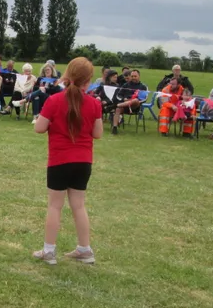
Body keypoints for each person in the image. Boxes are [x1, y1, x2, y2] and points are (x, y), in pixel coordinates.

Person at [32, 57, 103, 266]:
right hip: (83, 161)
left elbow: (39, 128)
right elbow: (97, 133)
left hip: (59, 160)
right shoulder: (94, 103)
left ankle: (49, 251)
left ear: (67, 76)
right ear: (88, 80)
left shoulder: (54, 101)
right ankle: (85, 249)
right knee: (78, 206)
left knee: (55, 206)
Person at [111, 70, 148, 134]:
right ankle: (115, 128)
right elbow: (119, 95)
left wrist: (134, 101)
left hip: (135, 106)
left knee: (135, 100)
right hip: (124, 106)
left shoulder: (143, 87)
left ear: (139, 76)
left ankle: (117, 105)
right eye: (132, 76)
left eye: (135, 76)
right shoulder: (125, 85)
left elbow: (144, 99)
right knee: (117, 109)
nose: (133, 78)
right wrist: (123, 99)